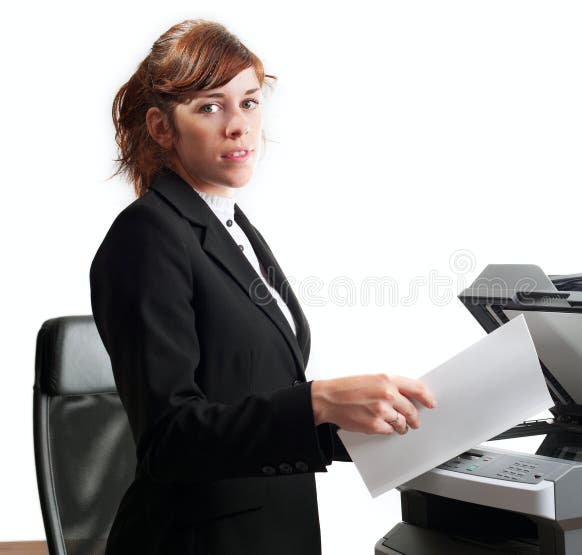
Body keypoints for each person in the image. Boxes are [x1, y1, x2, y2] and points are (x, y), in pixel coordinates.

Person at [89, 19, 436, 554]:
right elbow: (170, 439)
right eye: (209, 106)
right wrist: (317, 400)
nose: (238, 125)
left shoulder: (229, 227)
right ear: (161, 128)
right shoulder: (148, 235)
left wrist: (363, 421)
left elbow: (249, 405)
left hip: (271, 532)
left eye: (249, 102)